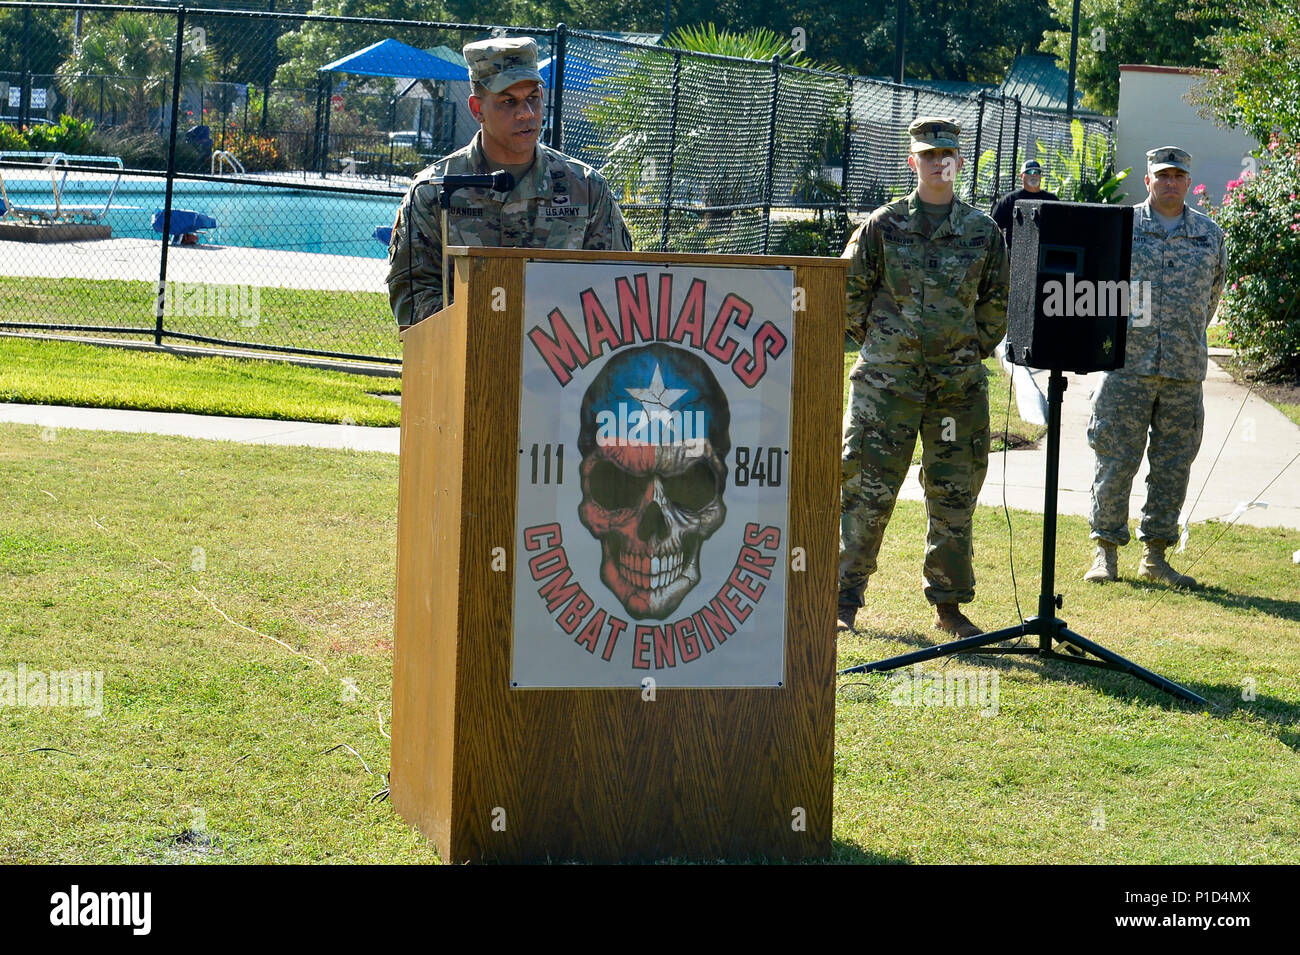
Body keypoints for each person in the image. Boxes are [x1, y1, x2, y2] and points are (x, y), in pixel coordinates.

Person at [838, 117, 1010, 638]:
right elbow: (849, 298)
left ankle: (950, 605)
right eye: (929, 154)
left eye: (948, 154)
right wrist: (893, 348)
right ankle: (841, 599)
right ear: (913, 161)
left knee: (954, 496)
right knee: (865, 491)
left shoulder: (983, 231)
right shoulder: (881, 226)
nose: (939, 162)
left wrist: (957, 351)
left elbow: (996, 305)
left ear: (958, 162)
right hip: (885, 390)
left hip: (956, 391)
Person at [386, 37, 632, 327]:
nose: (526, 113)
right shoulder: (435, 190)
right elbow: (412, 292)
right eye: (508, 102)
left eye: (533, 98)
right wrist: (486, 329)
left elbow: (618, 284)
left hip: (563, 364)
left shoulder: (587, 188)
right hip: (466, 359)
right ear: (477, 109)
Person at [1083, 146, 1227, 587]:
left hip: (1183, 371)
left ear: (1188, 182)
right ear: (1147, 181)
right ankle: (1104, 552)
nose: (1169, 183)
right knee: (1115, 460)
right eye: (1161, 176)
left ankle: (1156, 556)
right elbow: (1099, 287)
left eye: (1177, 176)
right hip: (1127, 367)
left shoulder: (1208, 234)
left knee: (1173, 465)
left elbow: (1212, 297)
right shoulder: (1122, 228)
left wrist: (1181, 335)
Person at [989, 158, 1058, 250]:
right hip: (1015, 255)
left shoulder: (1051, 200)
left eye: (1037, 172)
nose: (1034, 175)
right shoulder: (1010, 200)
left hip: (1045, 255)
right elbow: (995, 227)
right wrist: (1001, 251)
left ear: (1041, 176)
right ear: (1021, 176)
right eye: (1029, 172)